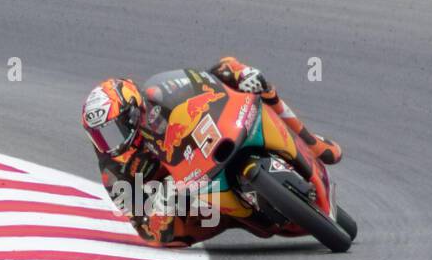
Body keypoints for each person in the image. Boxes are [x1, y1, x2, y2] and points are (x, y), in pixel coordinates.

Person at [81, 57, 342, 246]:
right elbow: (143, 225)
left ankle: (309, 142)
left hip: (208, 140)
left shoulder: (158, 93)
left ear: (134, 109)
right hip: (188, 194)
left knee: (235, 71)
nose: (111, 140)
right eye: (100, 135)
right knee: (169, 236)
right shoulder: (113, 170)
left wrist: (233, 77)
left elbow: (203, 82)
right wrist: (160, 209)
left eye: (116, 126)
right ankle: (238, 216)